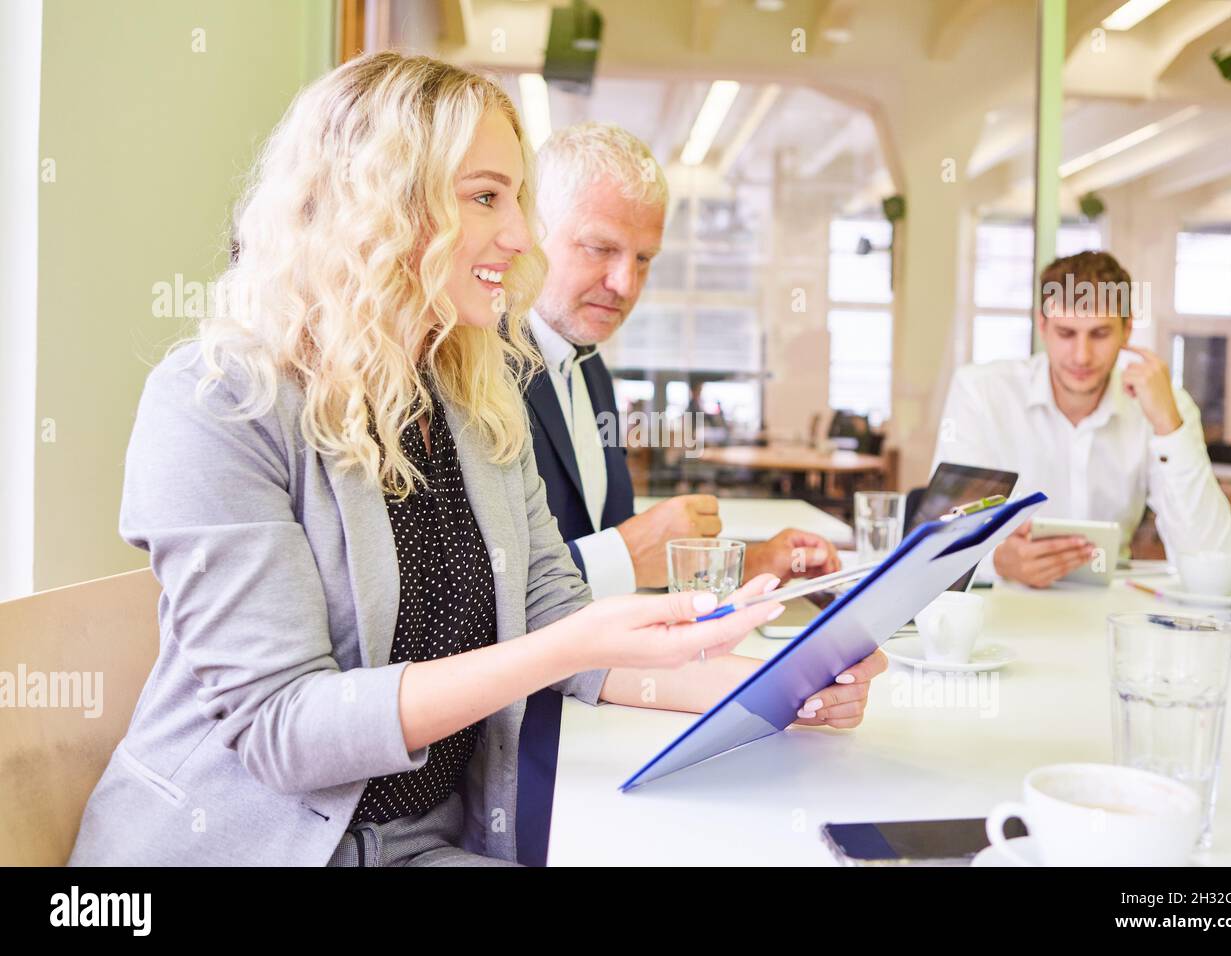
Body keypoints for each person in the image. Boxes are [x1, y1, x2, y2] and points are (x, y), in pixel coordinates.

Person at [68, 54, 886, 867]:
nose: (522, 235)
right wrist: (567, 645)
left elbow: (563, 622)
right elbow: (285, 729)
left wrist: (785, 686)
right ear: (377, 205)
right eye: (486, 197)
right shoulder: (219, 400)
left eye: (518, 199)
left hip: (417, 845)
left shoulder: (473, 394)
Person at [525, 122, 842, 600]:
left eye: (645, 259)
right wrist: (628, 553)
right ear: (532, 232)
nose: (626, 285)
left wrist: (747, 565)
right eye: (600, 248)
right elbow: (482, 595)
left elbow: (606, 554)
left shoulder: (588, 368)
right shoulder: (478, 374)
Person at [933, 250, 1231, 588]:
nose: (1081, 356)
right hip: (1000, 607)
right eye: (1066, 333)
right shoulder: (981, 392)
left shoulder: (1165, 404)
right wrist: (999, 560)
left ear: (1127, 331)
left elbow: (1214, 558)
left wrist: (1169, 428)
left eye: (1099, 334)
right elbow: (944, 543)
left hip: (1112, 612)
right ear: (1043, 326)